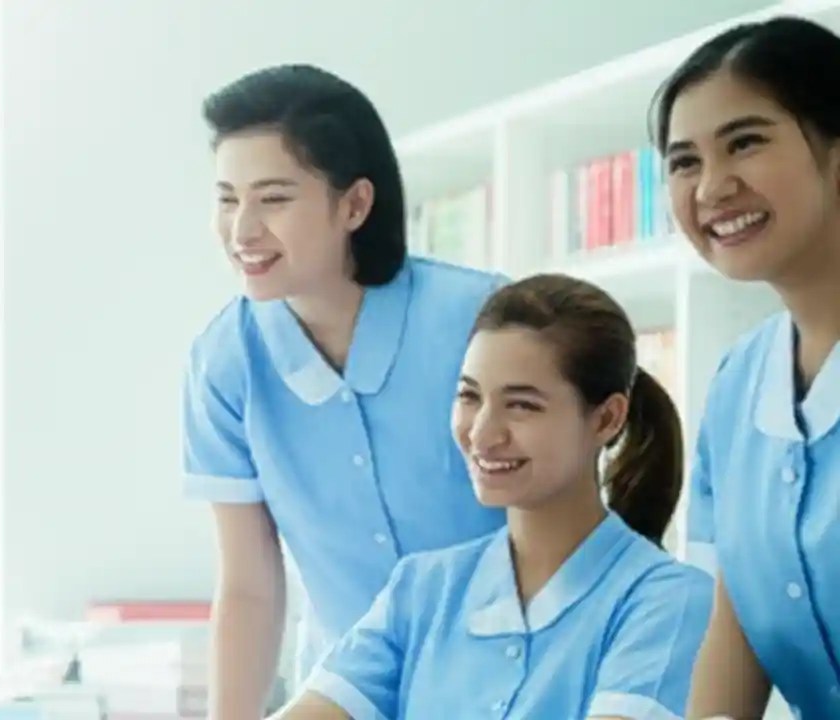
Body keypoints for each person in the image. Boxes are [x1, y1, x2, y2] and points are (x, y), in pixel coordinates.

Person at [183, 63, 508, 717]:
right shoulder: (225, 361)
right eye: (226, 198)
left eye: (272, 198)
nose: (241, 230)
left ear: (355, 204)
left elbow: (560, 522)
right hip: (347, 697)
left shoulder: (481, 321)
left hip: (515, 681)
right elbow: (249, 585)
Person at [270, 273, 713, 719]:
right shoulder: (423, 590)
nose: (482, 433)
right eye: (469, 396)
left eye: (521, 405)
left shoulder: (667, 603)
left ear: (606, 419)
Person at [653, 15, 840, 720]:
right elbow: (728, 630)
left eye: (746, 142)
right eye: (683, 161)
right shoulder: (739, 383)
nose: (711, 187)